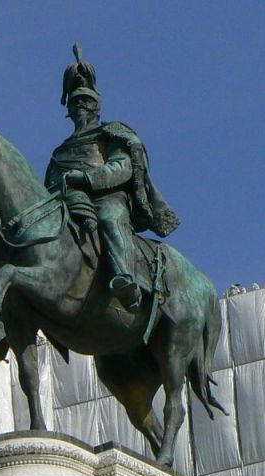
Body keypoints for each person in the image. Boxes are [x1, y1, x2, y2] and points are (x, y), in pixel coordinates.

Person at [45, 45, 178, 312]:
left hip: (108, 198)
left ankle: (125, 279)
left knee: (109, 218)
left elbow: (122, 167)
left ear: (96, 108)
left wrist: (85, 177)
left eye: (86, 103)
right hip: (69, 201)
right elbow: (47, 185)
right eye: (76, 104)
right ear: (69, 111)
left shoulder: (112, 133)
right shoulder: (60, 152)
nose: (81, 108)